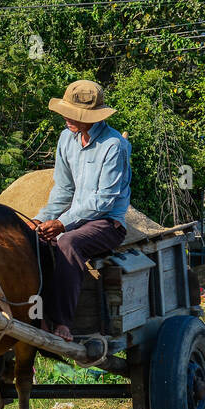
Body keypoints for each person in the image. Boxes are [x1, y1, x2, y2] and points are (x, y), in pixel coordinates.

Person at [32, 80, 131, 342]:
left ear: (93, 118)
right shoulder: (66, 138)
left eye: (76, 115)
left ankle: (63, 322)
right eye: (67, 113)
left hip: (107, 224)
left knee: (66, 242)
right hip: (75, 219)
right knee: (35, 239)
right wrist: (42, 218)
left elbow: (104, 201)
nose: (68, 119)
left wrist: (63, 224)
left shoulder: (113, 145)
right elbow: (63, 189)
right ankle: (38, 316)